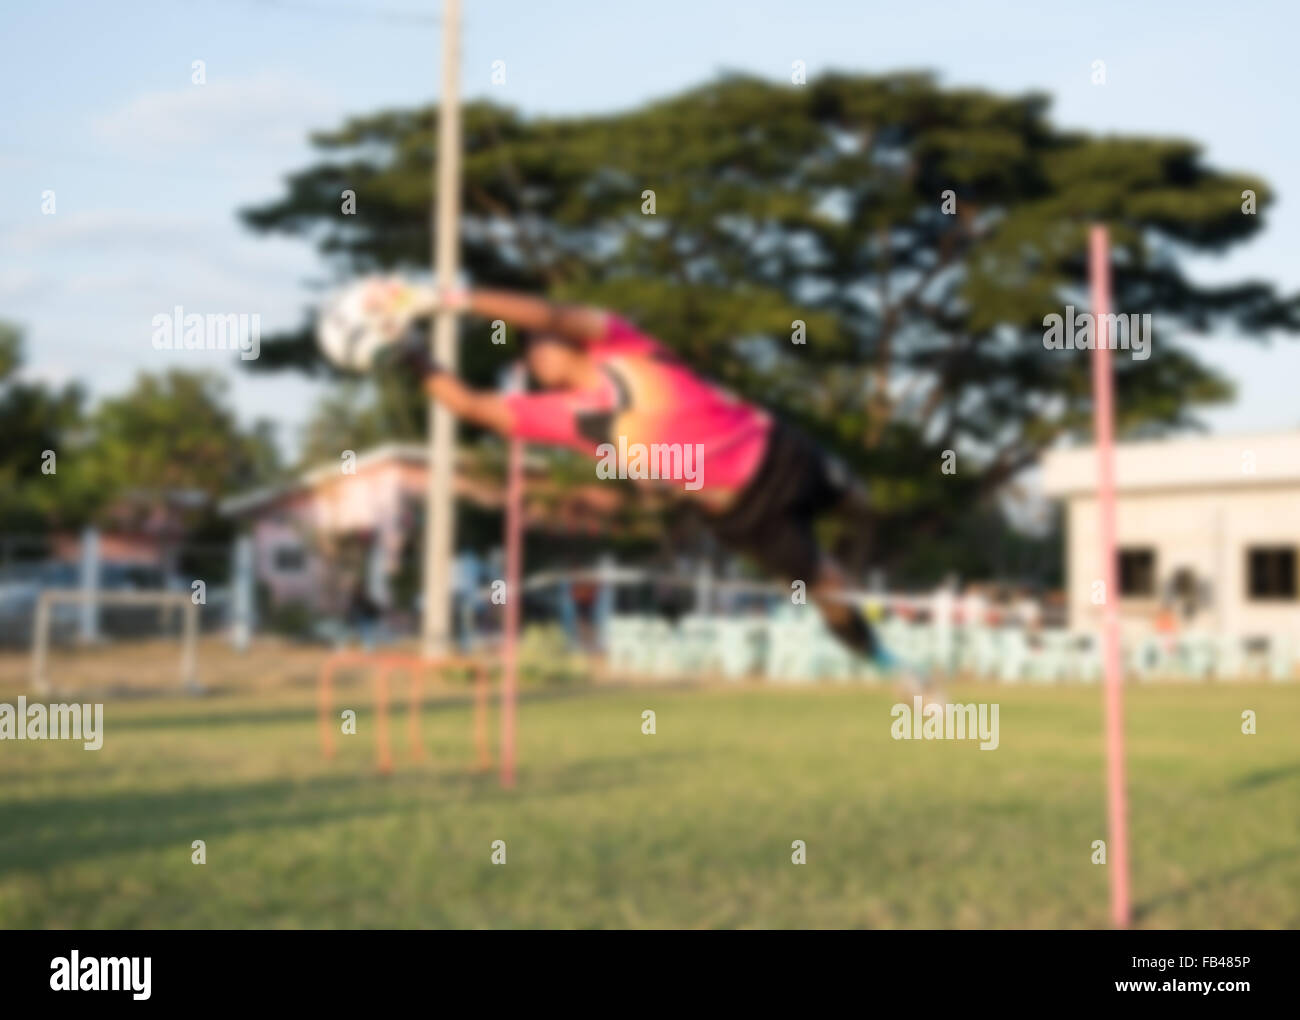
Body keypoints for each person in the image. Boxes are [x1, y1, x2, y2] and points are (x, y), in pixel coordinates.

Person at [342, 278, 918, 681]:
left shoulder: (621, 341)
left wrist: (438, 299)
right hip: (742, 514)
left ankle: (893, 559)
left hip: (777, 450)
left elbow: (550, 313)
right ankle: (895, 667)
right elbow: (470, 405)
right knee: (824, 584)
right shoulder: (561, 416)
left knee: (859, 503)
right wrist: (413, 352)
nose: (537, 348)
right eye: (530, 350)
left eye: (536, 338)